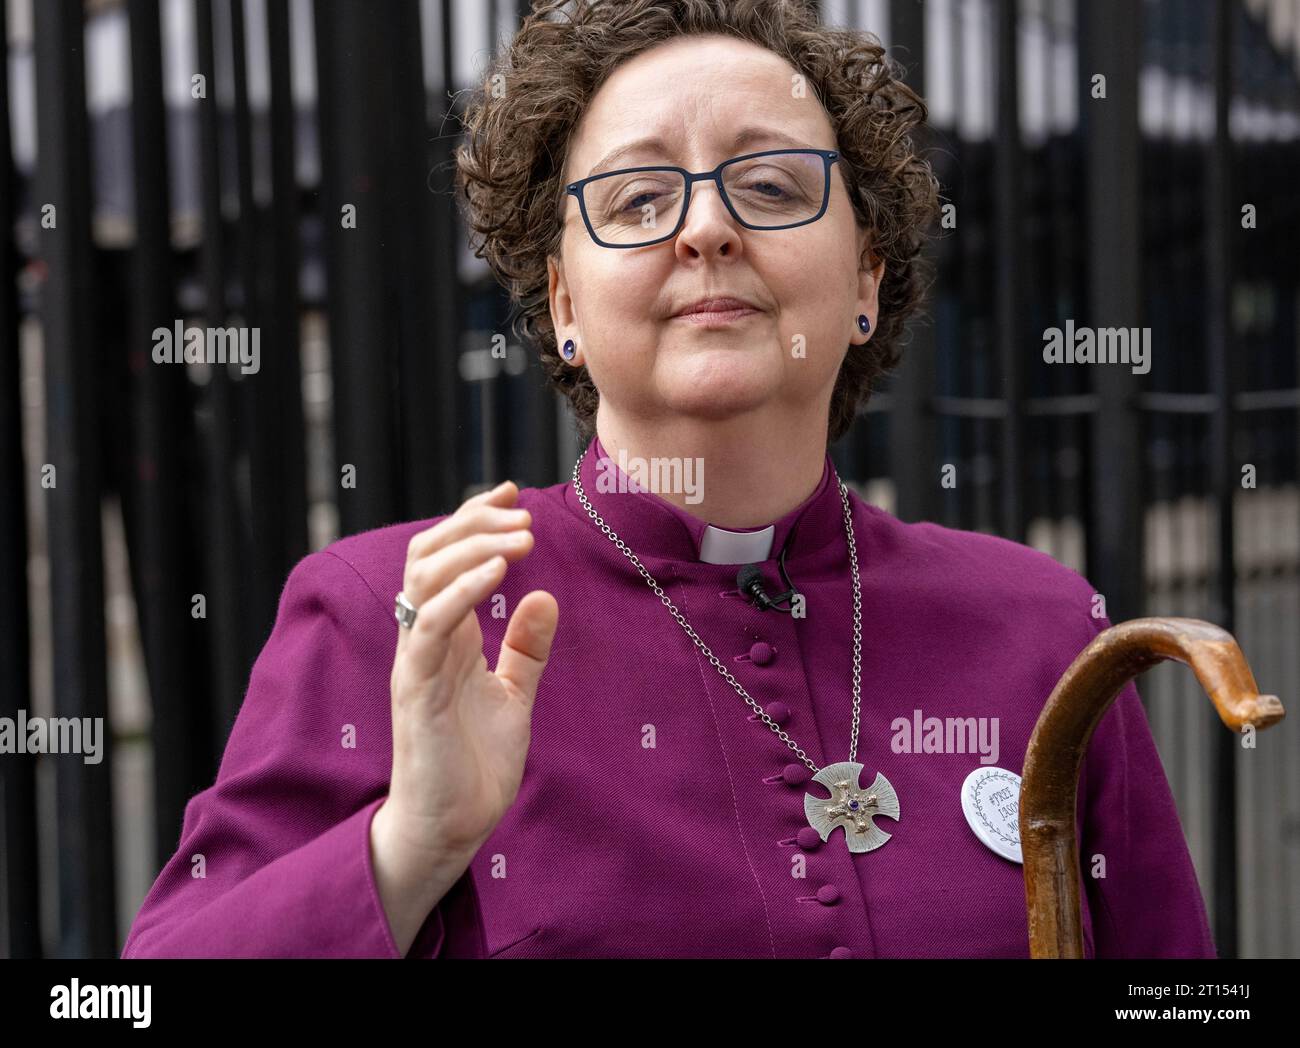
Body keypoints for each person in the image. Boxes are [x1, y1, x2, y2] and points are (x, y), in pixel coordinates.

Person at [121, 0, 1215, 959]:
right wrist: (407, 846)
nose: (706, 229)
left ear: (867, 273)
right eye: (640, 200)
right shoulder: (397, 611)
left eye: (773, 184)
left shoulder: (1039, 623)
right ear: (561, 304)